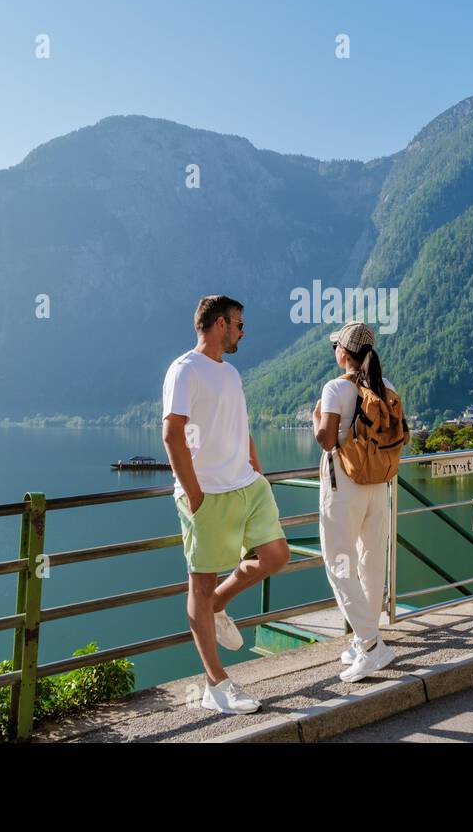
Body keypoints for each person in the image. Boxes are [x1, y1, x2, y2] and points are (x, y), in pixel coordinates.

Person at [161, 295, 290, 714]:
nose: (242, 331)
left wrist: (256, 467)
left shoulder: (231, 373)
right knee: (199, 583)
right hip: (208, 494)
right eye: (238, 323)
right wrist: (194, 493)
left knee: (276, 555)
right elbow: (172, 434)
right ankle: (217, 684)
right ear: (219, 324)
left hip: (247, 485)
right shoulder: (184, 370)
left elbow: (240, 424)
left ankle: (219, 604)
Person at [312, 320, 401, 682]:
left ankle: (369, 644)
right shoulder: (387, 387)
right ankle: (368, 638)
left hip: (344, 484)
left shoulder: (335, 388)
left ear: (344, 353)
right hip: (378, 484)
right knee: (370, 561)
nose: (334, 351)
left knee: (339, 563)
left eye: (336, 346)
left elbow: (326, 439)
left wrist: (317, 416)